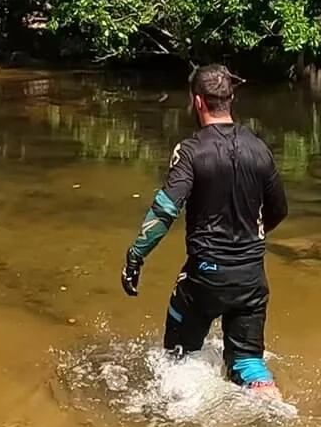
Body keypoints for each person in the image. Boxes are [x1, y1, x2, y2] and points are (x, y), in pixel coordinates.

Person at [120, 64, 289, 398]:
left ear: (197, 101)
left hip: (204, 278)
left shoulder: (190, 151)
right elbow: (279, 210)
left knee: (177, 359)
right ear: (230, 98)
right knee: (248, 362)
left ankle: (180, 411)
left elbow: (164, 211)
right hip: (251, 277)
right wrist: (248, 241)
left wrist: (135, 257)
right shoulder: (260, 149)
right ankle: (269, 398)